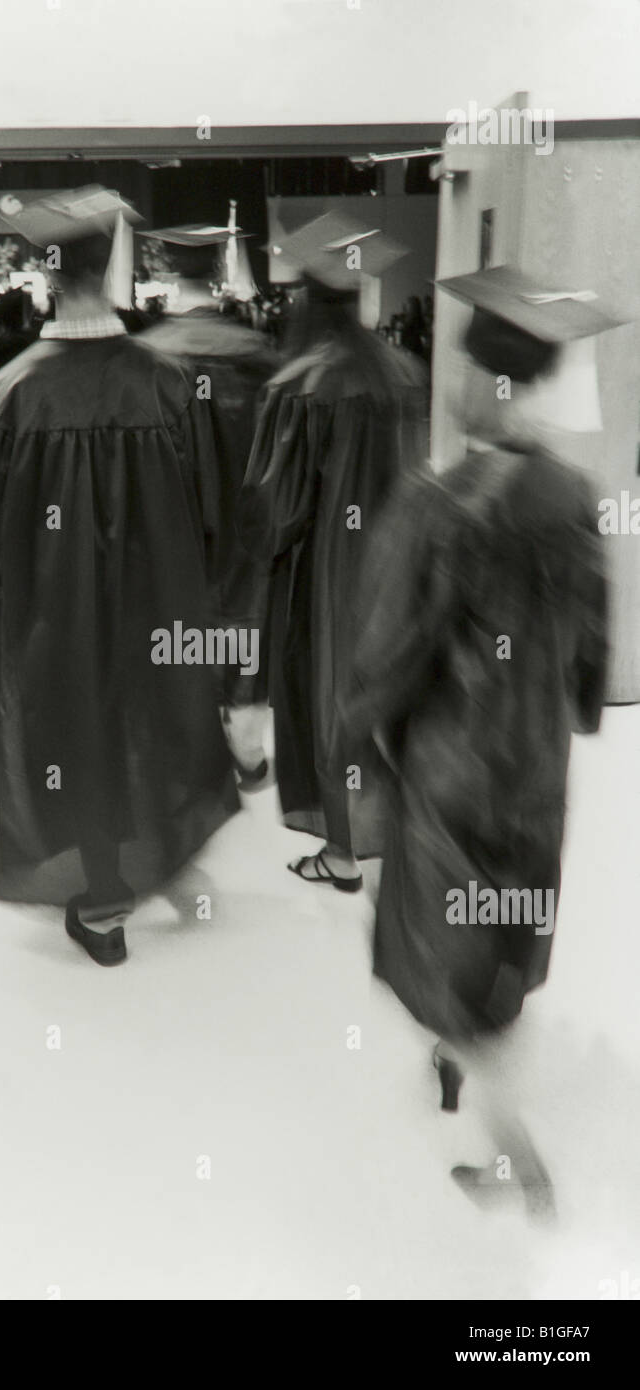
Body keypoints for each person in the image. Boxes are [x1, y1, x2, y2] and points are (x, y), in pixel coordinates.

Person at [343, 264, 617, 1216]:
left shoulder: (434, 505)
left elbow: (382, 660)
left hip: (449, 778)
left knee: (441, 941)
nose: (448, 385)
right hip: (533, 772)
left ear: (485, 382)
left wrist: (360, 739)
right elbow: (589, 664)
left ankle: (515, 1158)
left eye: (459, 369)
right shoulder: (573, 499)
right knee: (498, 941)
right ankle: (459, 1059)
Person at [0, 188, 239, 966]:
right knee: (150, 718)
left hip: (57, 611)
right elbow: (212, 509)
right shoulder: (168, 380)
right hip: (158, 602)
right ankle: (167, 850)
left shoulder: (10, 390)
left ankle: (105, 905)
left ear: (44, 275)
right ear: (110, 267)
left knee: (74, 734)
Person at [239, 210, 428, 889]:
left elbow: (278, 508)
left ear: (306, 300)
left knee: (328, 695)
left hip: (330, 571)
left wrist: (266, 554)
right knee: (392, 689)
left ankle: (342, 852)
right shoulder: (404, 373)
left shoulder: (300, 386)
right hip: (403, 562)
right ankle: (399, 834)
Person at [138, 224, 278, 786]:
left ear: (168, 270)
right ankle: (247, 752)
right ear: (218, 270)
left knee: (178, 621)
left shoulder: (145, 356)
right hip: (247, 516)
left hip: (173, 523)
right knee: (243, 620)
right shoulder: (256, 352)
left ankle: (188, 755)